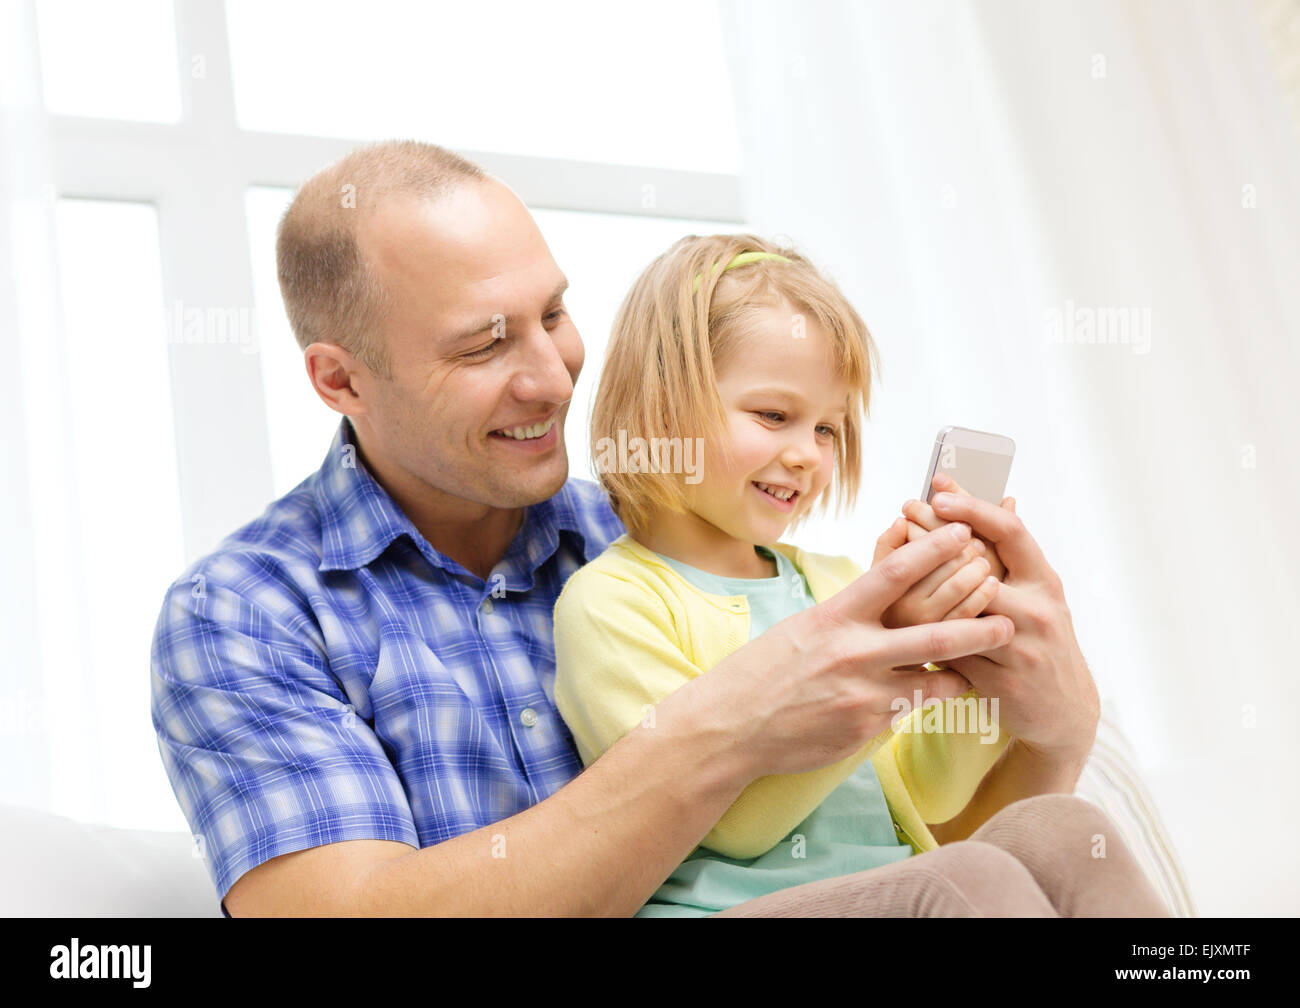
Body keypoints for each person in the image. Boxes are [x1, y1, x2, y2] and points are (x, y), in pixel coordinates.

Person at [150, 139, 1123, 917]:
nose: (552, 374)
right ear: (340, 379)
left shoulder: (673, 523)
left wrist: (1043, 723)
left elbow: (903, 869)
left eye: (553, 312)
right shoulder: (244, 614)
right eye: (485, 342)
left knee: (1037, 849)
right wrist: (729, 727)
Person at [552, 236, 1170, 917]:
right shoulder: (614, 603)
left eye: (827, 429)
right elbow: (735, 826)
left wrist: (976, 659)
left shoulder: (835, 583)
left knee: (1068, 832)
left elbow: (921, 794)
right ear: (660, 406)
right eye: (774, 416)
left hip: (890, 895)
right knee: (968, 879)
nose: (808, 455)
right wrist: (873, 672)